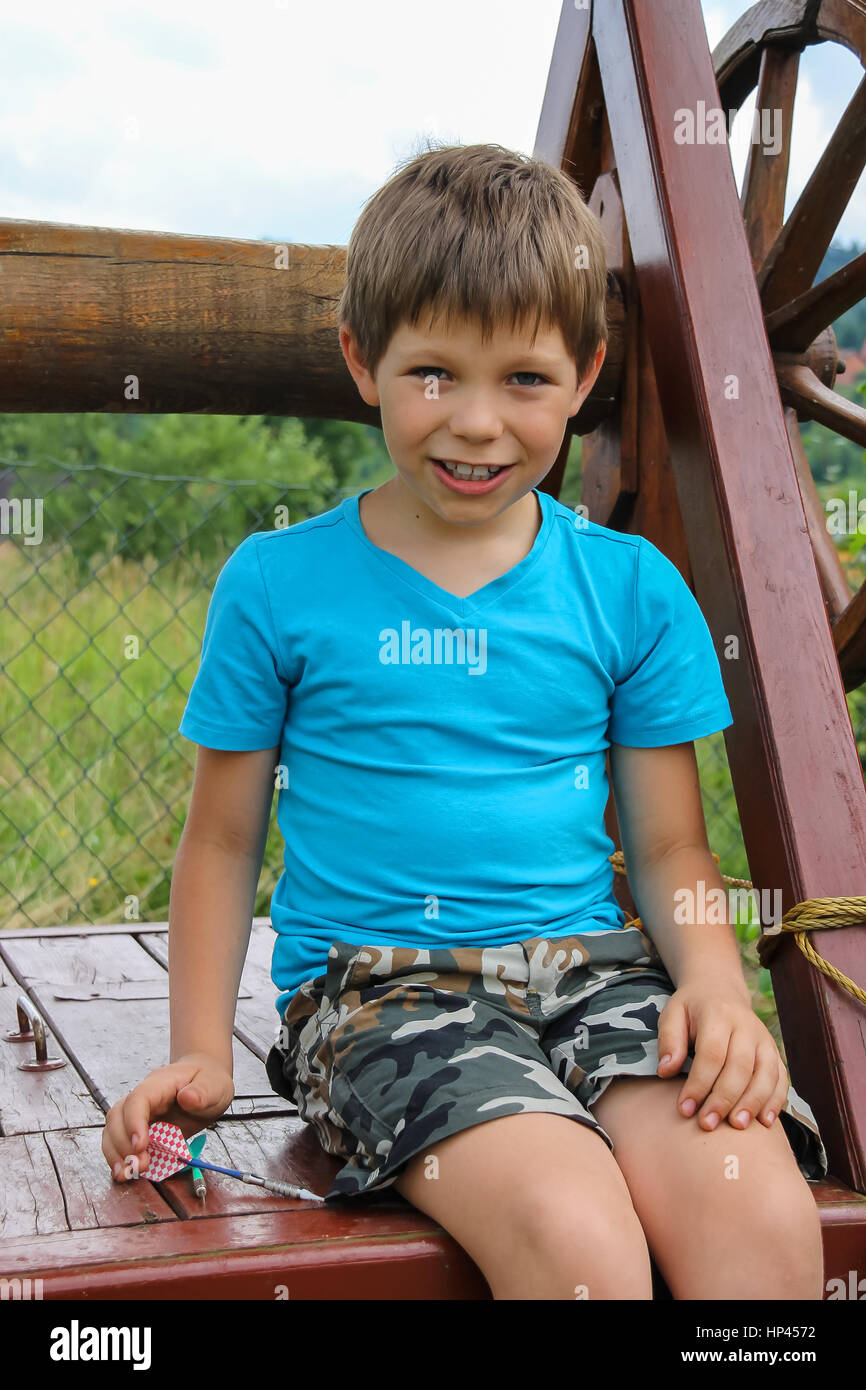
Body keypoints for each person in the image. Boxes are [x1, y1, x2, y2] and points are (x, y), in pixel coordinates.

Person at [102, 142, 828, 1300]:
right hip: (383, 991)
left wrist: (709, 981)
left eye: (524, 381)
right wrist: (197, 1047)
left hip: (593, 973)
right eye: (434, 373)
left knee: (760, 1224)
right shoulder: (278, 585)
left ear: (585, 373)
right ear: (362, 361)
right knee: (576, 1237)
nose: (478, 424)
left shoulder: (628, 590)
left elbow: (671, 846)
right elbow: (224, 839)